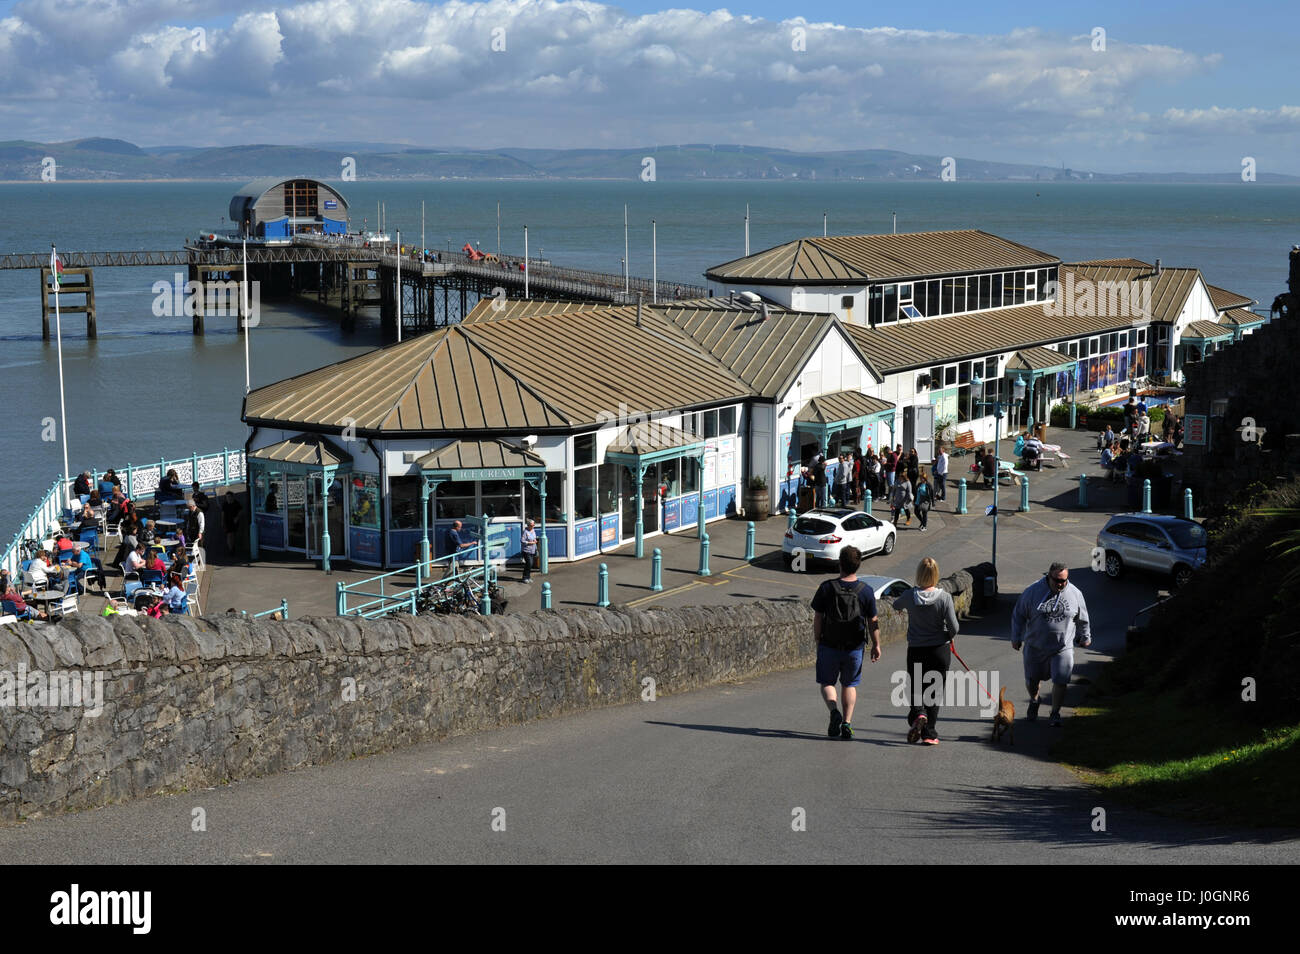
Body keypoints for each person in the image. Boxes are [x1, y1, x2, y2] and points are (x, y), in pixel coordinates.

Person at [810, 546, 881, 741]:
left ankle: (834, 711)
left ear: (840, 563)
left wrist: (818, 638)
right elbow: (873, 621)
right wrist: (876, 645)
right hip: (854, 647)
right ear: (858, 565)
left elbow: (818, 617)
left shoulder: (826, 587)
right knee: (849, 685)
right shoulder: (866, 591)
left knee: (827, 682)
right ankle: (847, 723)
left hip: (829, 644)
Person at [1011, 562, 1091, 727]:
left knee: (1061, 681)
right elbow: (1018, 614)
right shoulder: (1032, 592)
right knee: (1032, 680)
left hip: (1062, 647)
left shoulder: (1075, 593)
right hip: (1035, 645)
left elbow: (1083, 618)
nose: (1061, 584)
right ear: (1049, 577)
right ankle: (1034, 700)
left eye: (1064, 580)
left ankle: (1055, 713)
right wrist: (1015, 636)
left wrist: (1085, 636)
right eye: (1057, 580)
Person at [893, 557, 960, 745]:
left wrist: (905, 608)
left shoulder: (909, 595)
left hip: (916, 649)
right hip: (939, 650)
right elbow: (954, 627)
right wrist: (947, 635)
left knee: (915, 687)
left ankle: (918, 714)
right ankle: (929, 734)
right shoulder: (945, 597)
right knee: (935, 691)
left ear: (919, 574)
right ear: (935, 574)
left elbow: (895, 605)